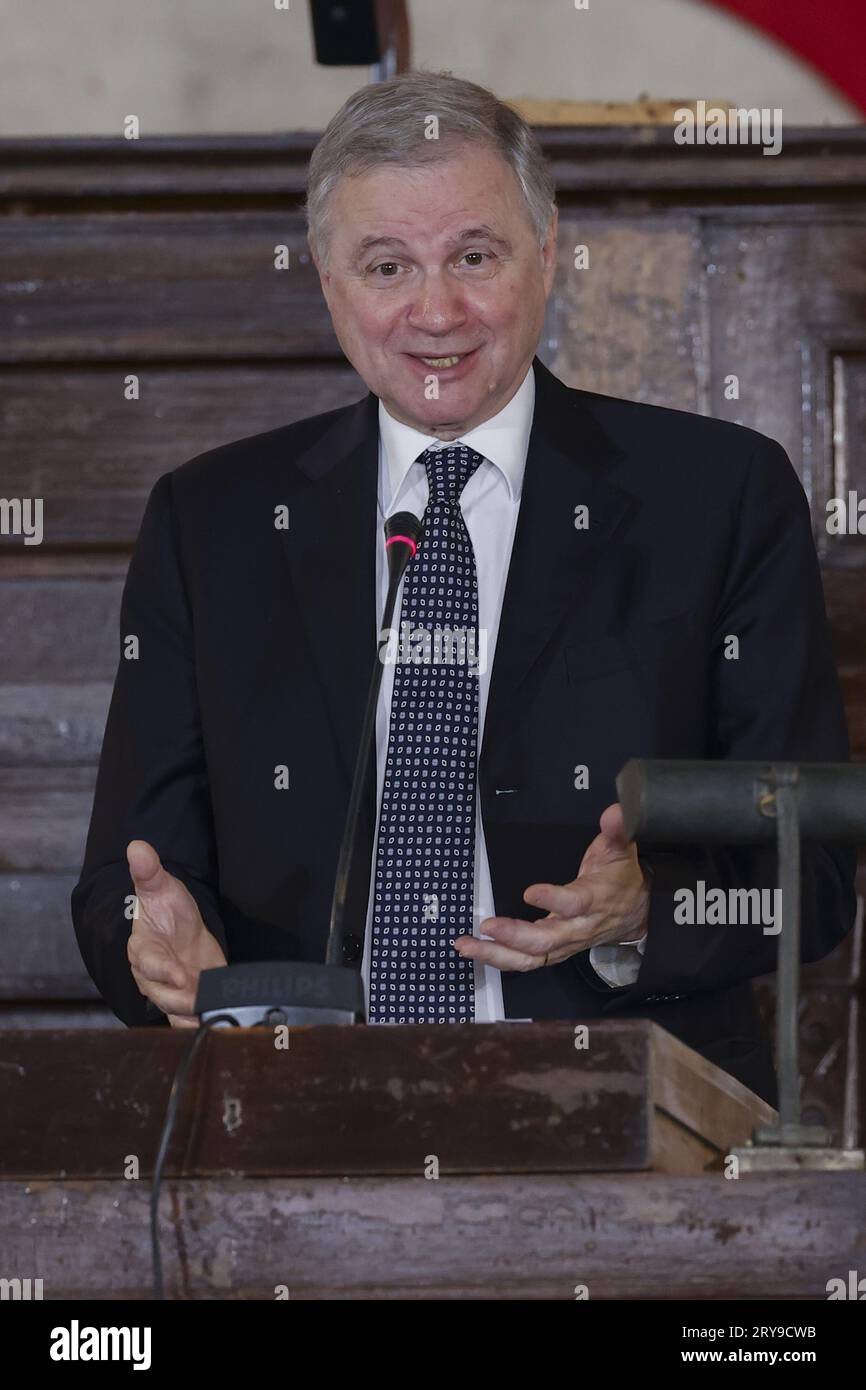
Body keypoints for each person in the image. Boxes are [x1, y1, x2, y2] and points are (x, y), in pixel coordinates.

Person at [72, 70, 856, 1106]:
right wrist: (153, 952)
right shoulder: (208, 521)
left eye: (472, 256)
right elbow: (124, 883)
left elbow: (816, 879)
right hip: (298, 1113)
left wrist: (645, 911)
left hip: (627, 1117)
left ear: (545, 252)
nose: (433, 311)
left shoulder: (716, 496)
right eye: (386, 265)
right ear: (325, 280)